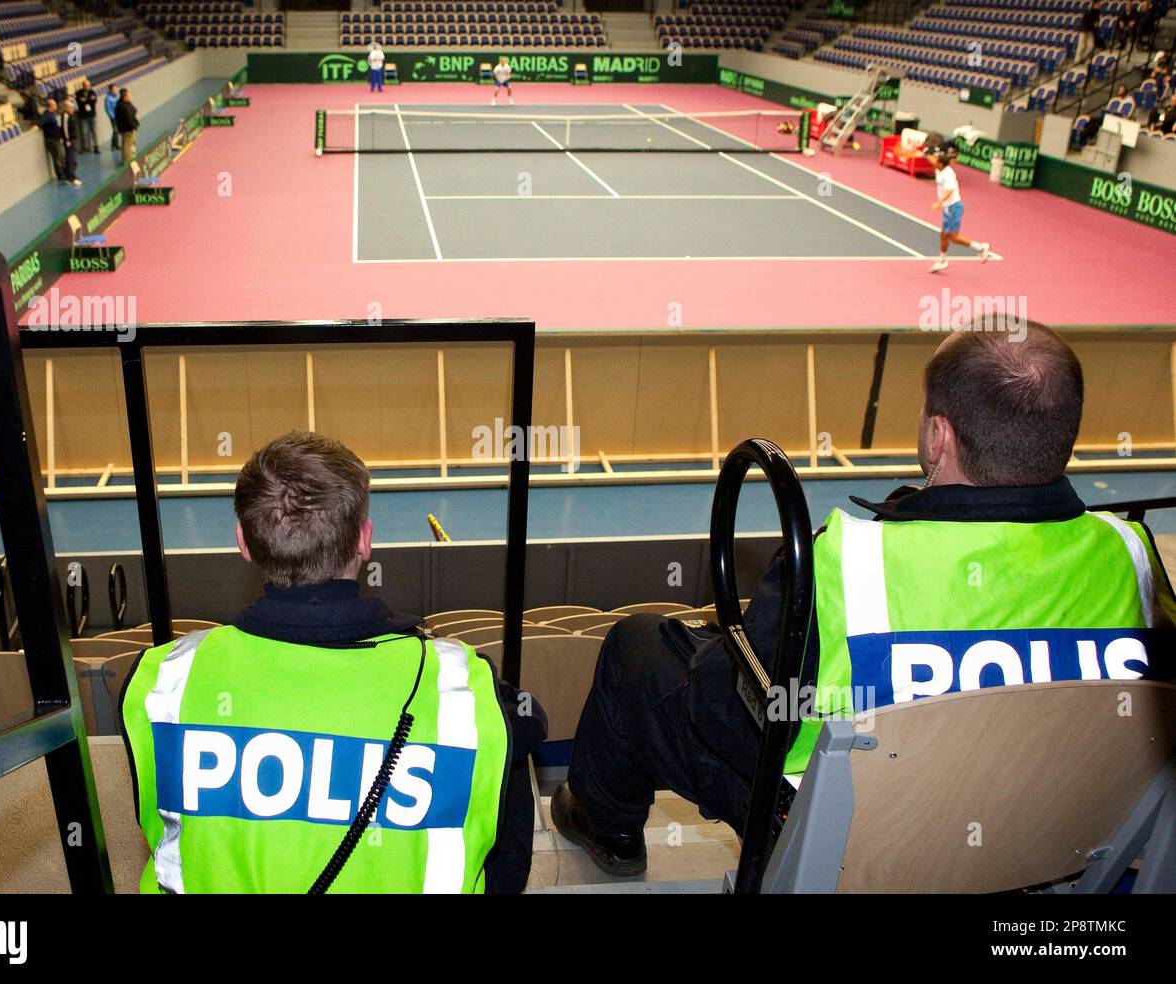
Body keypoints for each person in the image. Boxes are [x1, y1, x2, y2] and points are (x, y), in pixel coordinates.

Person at [550, 319, 1176, 877]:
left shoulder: (848, 561)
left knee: (641, 648)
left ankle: (610, 828)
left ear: (938, 436)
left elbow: (728, 717)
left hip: (846, 847)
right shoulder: (1136, 558)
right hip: (1061, 839)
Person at [120, 431, 547, 893]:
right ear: (365, 540)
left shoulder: (163, 678)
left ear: (244, 542)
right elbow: (531, 728)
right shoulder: (465, 686)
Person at [925, 140, 991, 273]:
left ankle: (981, 248)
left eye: (932, 158)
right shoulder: (939, 168)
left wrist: (939, 202)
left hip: (954, 207)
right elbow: (933, 156)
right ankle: (942, 261)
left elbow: (949, 191)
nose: (930, 160)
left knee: (953, 237)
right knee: (943, 234)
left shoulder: (948, 173)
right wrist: (928, 152)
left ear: (939, 161)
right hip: (947, 208)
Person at [38, 98, 65, 182]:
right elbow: (40, 123)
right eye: (55, 105)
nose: (56, 106)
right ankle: (60, 174)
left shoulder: (52, 114)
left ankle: (63, 172)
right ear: (51, 106)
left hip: (56, 139)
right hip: (52, 140)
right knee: (57, 157)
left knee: (60, 156)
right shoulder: (47, 116)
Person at [60, 99, 81, 187]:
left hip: (74, 139)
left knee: (74, 159)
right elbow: (65, 128)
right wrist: (67, 139)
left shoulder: (70, 114)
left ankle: (72, 176)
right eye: (71, 107)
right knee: (70, 160)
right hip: (70, 141)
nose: (73, 109)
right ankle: (71, 178)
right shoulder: (65, 115)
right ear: (67, 108)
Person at [115, 87, 139, 164]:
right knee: (126, 145)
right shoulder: (123, 106)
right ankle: (126, 160)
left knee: (128, 144)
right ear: (125, 97)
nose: (130, 97)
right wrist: (133, 126)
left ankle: (128, 158)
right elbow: (129, 118)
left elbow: (134, 110)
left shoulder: (124, 104)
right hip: (126, 129)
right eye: (128, 96)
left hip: (125, 128)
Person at [75, 79, 99, 154]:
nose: (87, 87)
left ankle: (96, 146)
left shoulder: (92, 92)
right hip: (83, 115)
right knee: (84, 132)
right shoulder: (79, 93)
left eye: (88, 85)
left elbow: (94, 101)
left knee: (94, 131)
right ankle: (85, 147)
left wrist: (85, 100)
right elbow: (79, 101)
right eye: (85, 85)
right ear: (83, 86)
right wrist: (88, 100)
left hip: (91, 115)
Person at [105, 85, 121, 152]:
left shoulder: (117, 96)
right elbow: (108, 109)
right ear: (111, 90)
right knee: (115, 130)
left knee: (117, 131)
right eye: (114, 89)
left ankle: (117, 145)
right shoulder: (108, 98)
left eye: (116, 88)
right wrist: (113, 117)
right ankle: (112, 146)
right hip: (113, 117)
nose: (116, 89)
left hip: (119, 116)